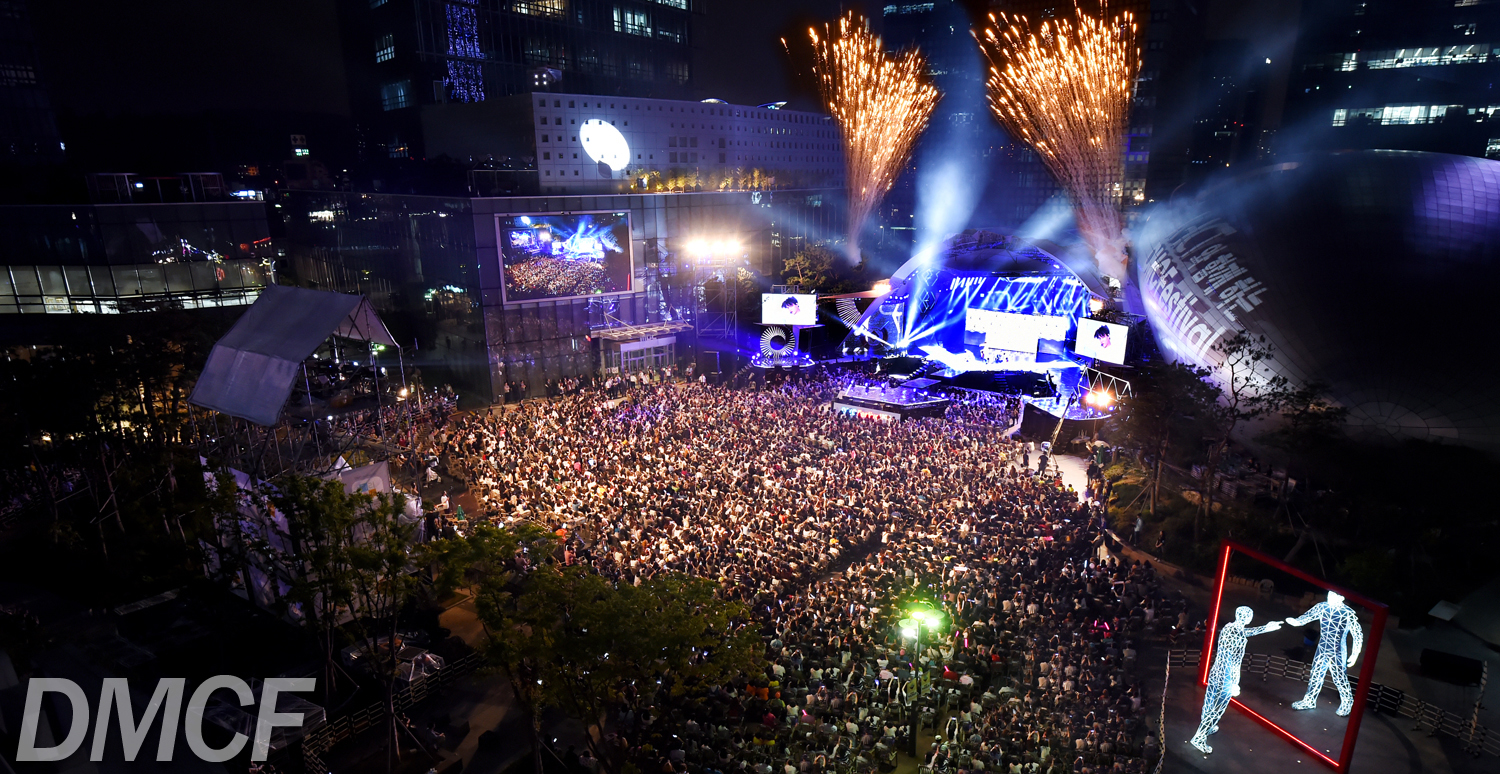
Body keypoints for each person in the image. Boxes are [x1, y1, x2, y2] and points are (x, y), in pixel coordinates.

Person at [1190, 606, 1281, 754]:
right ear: (1249, 618)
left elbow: (1244, 632)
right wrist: (1233, 683)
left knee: (1209, 702)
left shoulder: (1229, 627)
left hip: (1215, 671)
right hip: (1225, 676)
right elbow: (1232, 662)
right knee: (1218, 709)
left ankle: (1208, 727)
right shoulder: (1238, 636)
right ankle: (1199, 737)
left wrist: (1266, 628)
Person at [1285, 591, 1364, 715]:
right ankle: (1309, 700)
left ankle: (1347, 703)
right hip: (1322, 648)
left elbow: (1357, 634)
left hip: (1337, 651)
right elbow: (1307, 617)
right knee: (1315, 675)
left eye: (1333, 595)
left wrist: (1355, 654)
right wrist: (1296, 622)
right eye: (1329, 595)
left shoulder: (1348, 614)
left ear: (1341, 598)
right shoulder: (1323, 607)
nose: (1329, 597)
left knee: (1339, 678)